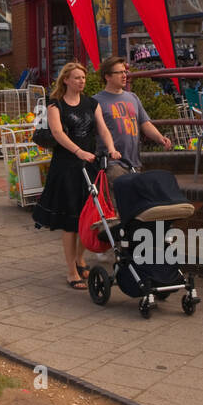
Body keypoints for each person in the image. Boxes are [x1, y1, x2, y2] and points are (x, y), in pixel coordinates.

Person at [34, 62, 122, 289]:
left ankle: (80, 258)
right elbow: (57, 133)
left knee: (90, 217)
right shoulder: (56, 105)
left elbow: (102, 129)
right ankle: (71, 271)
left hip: (88, 164)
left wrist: (111, 148)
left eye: (83, 77)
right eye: (76, 78)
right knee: (70, 221)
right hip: (66, 167)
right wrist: (78, 151)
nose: (81, 81)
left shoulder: (92, 103)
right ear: (66, 80)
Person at [93, 57, 171, 171]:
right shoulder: (96, 101)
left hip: (134, 162)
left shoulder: (133, 97)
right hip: (112, 162)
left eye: (125, 71)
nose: (124, 75)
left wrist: (160, 138)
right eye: (119, 72)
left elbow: (145, 123)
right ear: (107, 76)